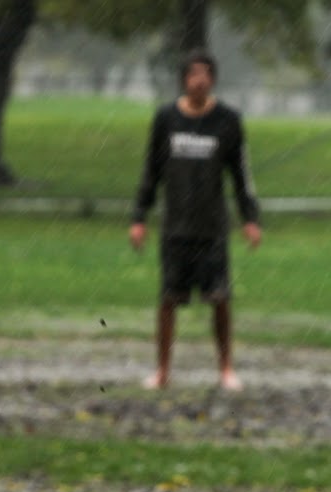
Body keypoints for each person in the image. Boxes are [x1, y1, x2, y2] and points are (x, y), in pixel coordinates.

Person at [130, 50, 263, 391]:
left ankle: (226, 369)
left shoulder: (228, 121)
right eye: (193, 74)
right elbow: (151, 170)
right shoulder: (166, 119)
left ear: (213, 80)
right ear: (184, 80)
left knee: (220, 298)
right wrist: (139, 216)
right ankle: (162, 371)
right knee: (169, 299)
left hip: (213, 227)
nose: (199, 80)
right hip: (175, 226)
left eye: (205, 74)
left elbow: (241, 173)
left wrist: (250, 217)